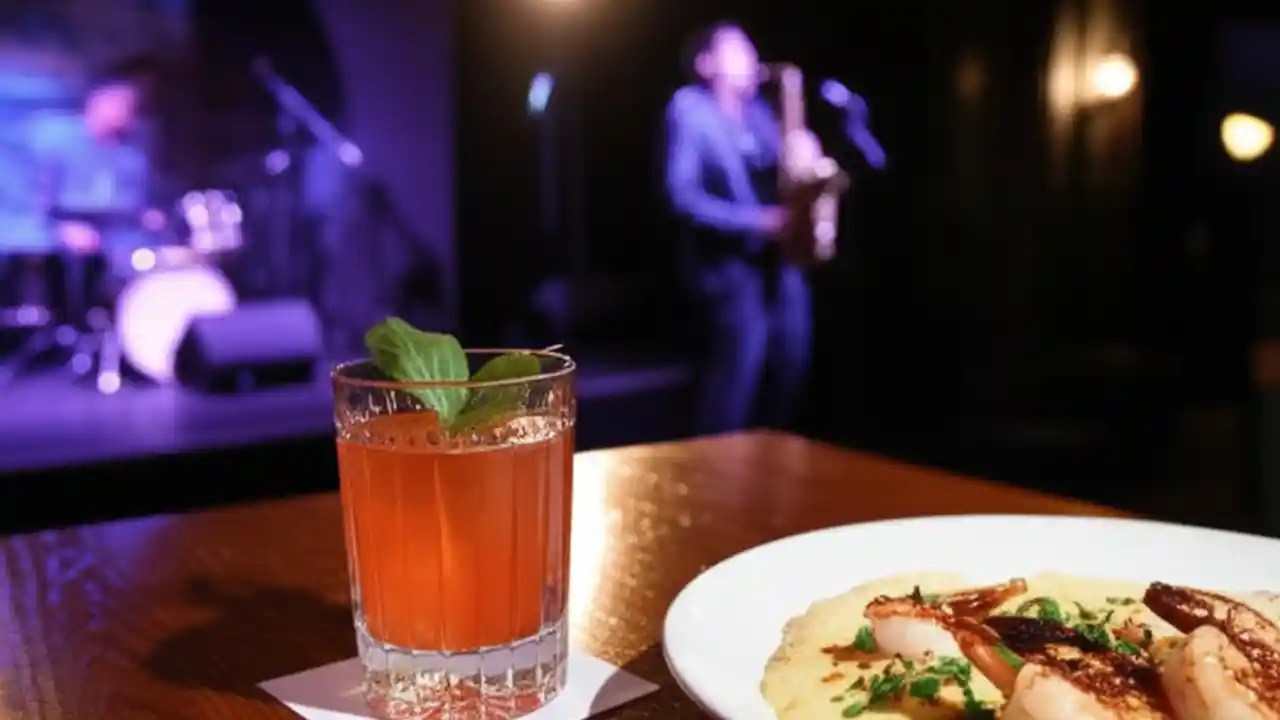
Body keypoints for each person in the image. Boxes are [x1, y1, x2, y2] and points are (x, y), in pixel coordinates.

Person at [664, 21, 821, 434]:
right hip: (728, 272)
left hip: (778, 267)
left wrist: (806, 149)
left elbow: (789, 170)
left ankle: (774, 465)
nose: (749, 59)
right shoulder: (690, 109)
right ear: (706, 63)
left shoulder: (760, 114)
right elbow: (682, 197)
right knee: (734, 384)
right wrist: (757, 222)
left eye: (750, 50)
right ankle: (717, 469)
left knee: (790, 367)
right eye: (735, 50)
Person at [29, 56, 170, 326]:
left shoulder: (131, 155)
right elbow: (35, 198)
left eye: (131, 107)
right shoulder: (56, 139)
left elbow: (136, 204)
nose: (125, 114)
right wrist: (61, 229)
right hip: (66, 234)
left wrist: (150, 217)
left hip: (121, 239)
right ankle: (77, 327)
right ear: (96, 101)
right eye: (120, 104)